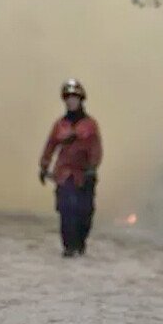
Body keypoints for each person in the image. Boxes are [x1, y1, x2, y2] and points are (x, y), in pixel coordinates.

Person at [39, 79, 102, 257]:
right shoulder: (60, 126)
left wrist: (92, 168)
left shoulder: (90, 125)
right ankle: (69, 247)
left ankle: (80, 244)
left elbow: (96, 148)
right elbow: (50, 146)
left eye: (74, 98)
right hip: (64, 175)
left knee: (85, 214)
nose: (71, 101)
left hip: (84, 176)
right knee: (66, 212)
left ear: (81, 100)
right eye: (68, 98)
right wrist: (44, 167)